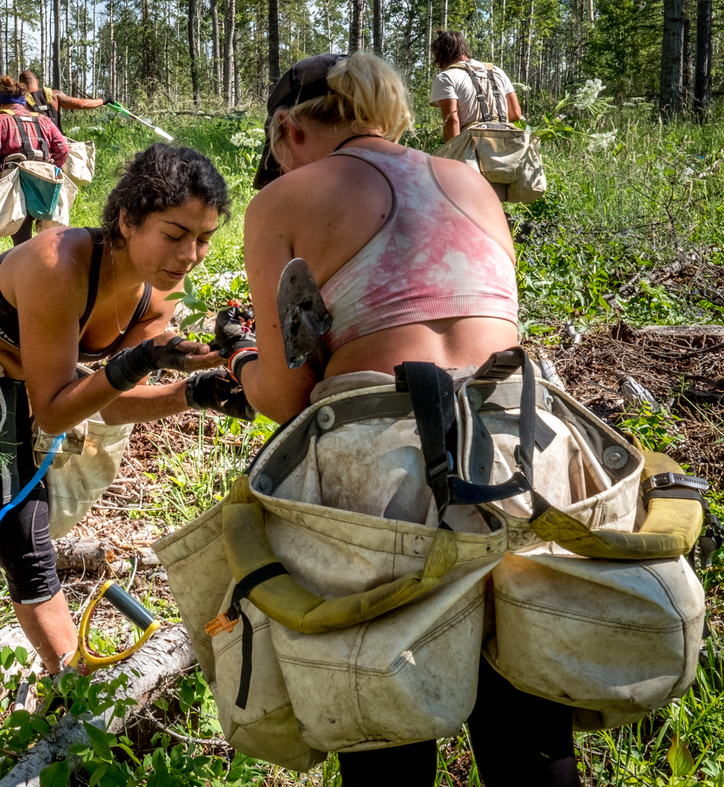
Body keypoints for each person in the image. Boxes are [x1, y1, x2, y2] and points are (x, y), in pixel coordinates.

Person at [228, 52, 575, 786]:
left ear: (288, 130)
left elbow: (286, 394)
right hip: (518, 445)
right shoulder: (471, 179)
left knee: (383, 723)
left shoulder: (283, 202)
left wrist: (236, 366)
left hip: (384, 464)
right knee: (532, 738)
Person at [0, 143, 252, 738]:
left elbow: (99, 399)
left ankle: (83, 703)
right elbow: (56, 413)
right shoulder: (61, 265)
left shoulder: (155, 296)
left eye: (204, 239)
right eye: (176, 233)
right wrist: (140, 365)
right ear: (127, 220)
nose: (190, 255)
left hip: (14, 395)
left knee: (27, 541)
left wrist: (198, 389)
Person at [0, 76, 69, 247]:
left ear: (2, 105)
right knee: (50, 238)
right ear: (23, 102)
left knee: (22, 242)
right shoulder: (43, 120)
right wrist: (55, 170)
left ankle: (29, 268)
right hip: (44, 181)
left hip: (15, 184)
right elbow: (63, 148)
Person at [430, 30, 521, 144]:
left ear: (441, 55)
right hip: (506, 143)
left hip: (472, 146)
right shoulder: (497, 72)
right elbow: (515, 113)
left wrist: (452, 156)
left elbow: (452, 122)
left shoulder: (446, 77)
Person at [17, 70, 106, 129]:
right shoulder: (55, 95)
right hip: (57, 145)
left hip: (33, 146)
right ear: (37, 81)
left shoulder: (18, 101)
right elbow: (82, 104)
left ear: (20, 84)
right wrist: (103, 101)